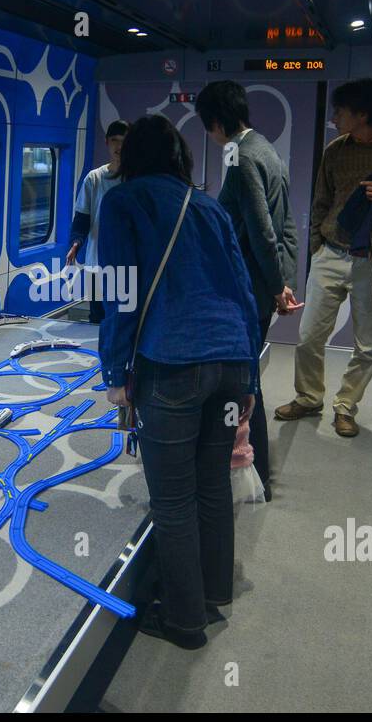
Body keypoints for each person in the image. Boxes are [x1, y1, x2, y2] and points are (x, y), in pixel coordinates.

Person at [98, 115, 261, 650]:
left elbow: (121, 296)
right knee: (213, 483)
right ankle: (216, 591)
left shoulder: (122, 203)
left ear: (133, 156)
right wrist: (252, 378)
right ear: (181, 158)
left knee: (172, 500)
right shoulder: (209, 206)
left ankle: (186, 623)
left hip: (172, 365)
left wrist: (115, 374)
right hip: (232, 364)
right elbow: (243, 292)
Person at [274, 77, 372, 438]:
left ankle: (346, 406)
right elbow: (320, 201)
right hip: (330, 252)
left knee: (367, 343)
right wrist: (316, 245)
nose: (334, 117)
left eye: (340, 111)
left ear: (362, 114)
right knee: (308, 336)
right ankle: (309, 396)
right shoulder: (336, 150)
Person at [195, 81, 299, 500]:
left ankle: (254, 474)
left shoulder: (238, 155)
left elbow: (260, 229)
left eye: (208, 125)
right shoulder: (266, 146)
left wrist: (276, 288)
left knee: (244, 381)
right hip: (265, 281)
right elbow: (283, 222)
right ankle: (253, 469)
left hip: (251, 285)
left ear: (216, 122)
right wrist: (284, 279)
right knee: (247, 374)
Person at [67, 119, 127, 323]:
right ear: (107, 142)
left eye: (124, 141)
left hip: (127, 262)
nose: (119, 146)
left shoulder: (137, 178)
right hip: (96, 260)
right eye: (115, 140)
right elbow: (83, 217)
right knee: (97, 316)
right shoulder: (94, 178)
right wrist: (76, 243)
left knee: (122, 315)